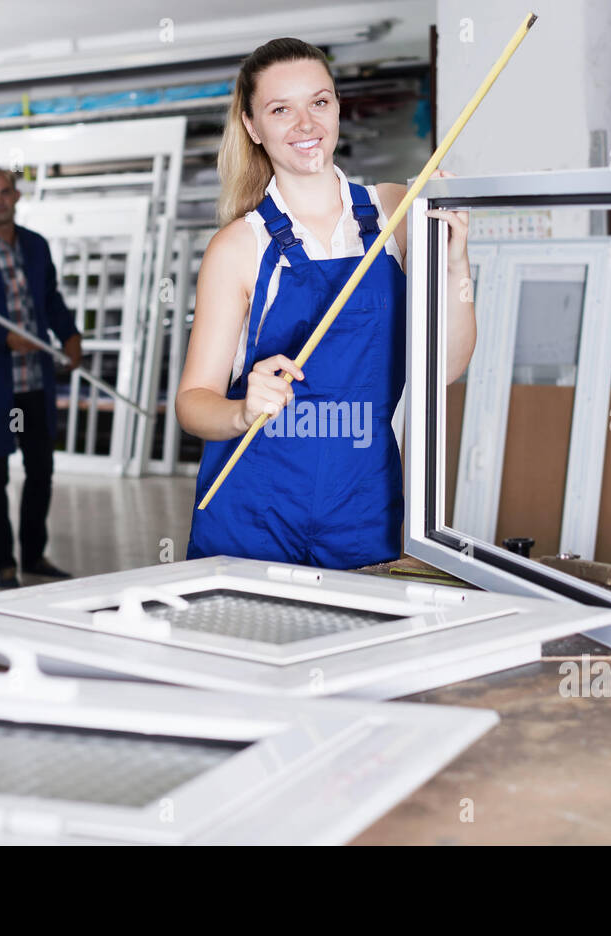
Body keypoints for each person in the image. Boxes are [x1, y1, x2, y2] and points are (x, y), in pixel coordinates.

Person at [176, 37, 475, 569]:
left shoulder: (396, 212)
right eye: (280, 110)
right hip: (253, 516)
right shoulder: (239, 247)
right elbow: (193, 402)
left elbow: (445, 369)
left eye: (319, 102)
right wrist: (243, 411)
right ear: (253, 127)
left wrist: (454, 264)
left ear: (338, 107)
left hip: (362, 510)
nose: (306, 124)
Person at [0, 168, 82, 589]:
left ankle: (33, 554)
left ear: (17, 196)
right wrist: (4, 338)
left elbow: (51, 300)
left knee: (41, 469)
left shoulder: (36, 247)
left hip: (34, 383)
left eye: (5, 192)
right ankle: (4, 564)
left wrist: (71, 335)